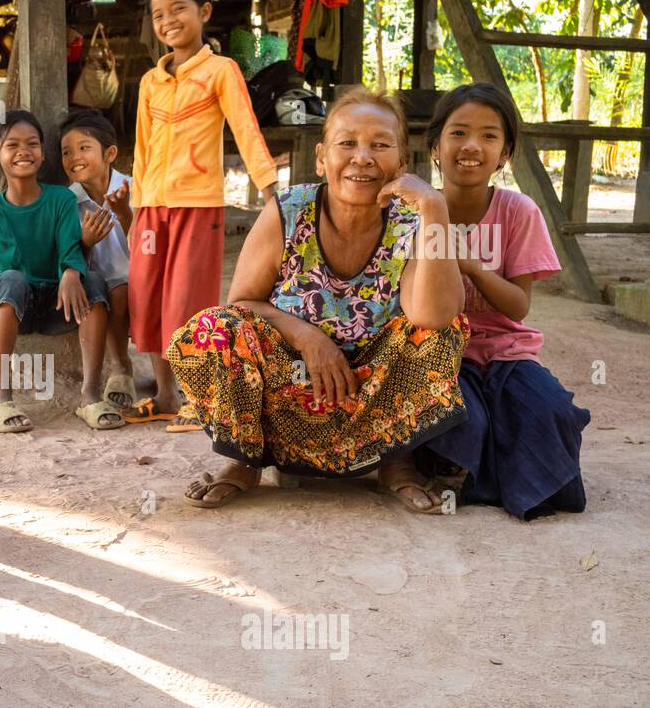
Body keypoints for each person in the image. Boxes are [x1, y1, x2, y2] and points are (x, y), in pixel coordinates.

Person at [169, 88, 468, 512]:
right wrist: (310, 339)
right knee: (213, 331)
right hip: (289, 396)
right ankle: (244, 460)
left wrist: (435, 209)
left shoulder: (411, 222)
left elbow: (434, 316)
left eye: (380, 145)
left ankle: (396, 464)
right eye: (347, 143)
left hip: (370, 404)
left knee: (444, 330)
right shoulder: (288, 210)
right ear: (320, 157)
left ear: (402, 164)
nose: (362, 157)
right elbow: (242, 306)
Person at [420, 83, 589, 519]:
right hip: (438, 352)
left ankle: (479, 466)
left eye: (489, 136)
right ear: (436, 146)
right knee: (462, 421)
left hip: (505, 352)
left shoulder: (519, 211)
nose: (472, 146)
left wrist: (472, 266)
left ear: (505, 153)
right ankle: (464, 457)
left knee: (552, 414)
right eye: (458, 133)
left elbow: (517, 307)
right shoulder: (415, 210)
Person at [126, 0, 280, 426]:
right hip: (153, 206)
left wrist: (271, 190)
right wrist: (137, 210)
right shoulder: (151, 82)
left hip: (198, 203)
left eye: (178, 9)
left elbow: (245, 129)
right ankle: (167, 393)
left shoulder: (220, 71)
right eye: (158, 14)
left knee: (187, 301)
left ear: (204, 12)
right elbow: (142, 147)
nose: (168, 20)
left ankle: (200, 396)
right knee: (148, 298)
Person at [0, 109, 122, 432]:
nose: (24, 151)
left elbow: (70, 246)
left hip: (58, 304)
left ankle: (89, 396)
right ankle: (0, 400)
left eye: (32, 143)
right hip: (16, 307)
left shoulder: (61, 199)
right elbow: (2, 264)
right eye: (12, 145)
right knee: (11, 279)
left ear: (42, 154)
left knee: (92, 279)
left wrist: (70, 272)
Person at [60, 109, 135, 410]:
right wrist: (86, 242)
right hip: (100, 286)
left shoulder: (133, 188)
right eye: (66, 152)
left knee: (123, 286)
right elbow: (72, 255)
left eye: (84, 148)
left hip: (138, 280)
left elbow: (148, 242)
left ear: (110, 153)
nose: (74, 157)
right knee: (113, 289)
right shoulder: (69, 202)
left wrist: (125, 214)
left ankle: (134, 370)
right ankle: (121, 368)